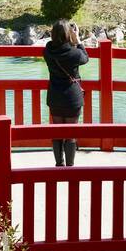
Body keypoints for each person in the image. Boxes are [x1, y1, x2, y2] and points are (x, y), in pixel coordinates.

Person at [44, 19, 90, 166]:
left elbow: (53, 47)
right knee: (70, 134)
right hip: (72, 97)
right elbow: (85, 58)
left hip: (55, 97)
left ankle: (59, 164)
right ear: (68, 34)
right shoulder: (74, 53)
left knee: (57, 132)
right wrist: (78, 41)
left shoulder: (47, 52)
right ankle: (70, 167)